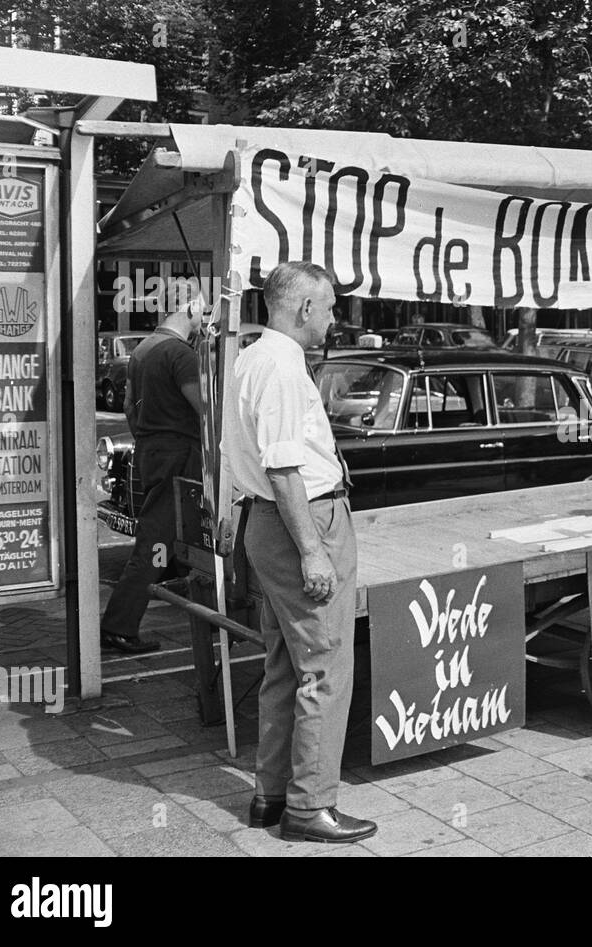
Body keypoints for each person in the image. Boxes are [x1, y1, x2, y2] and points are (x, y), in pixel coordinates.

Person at [224, 262, 376, 844]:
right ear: (304, 308)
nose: (334, 318)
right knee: (324, 666)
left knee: (285, 664)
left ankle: (271, 794)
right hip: (302, 521)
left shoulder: (253, 356)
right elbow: (284, 467)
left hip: (268, 521)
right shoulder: (283, 365)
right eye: (331, 306)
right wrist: (314, 552)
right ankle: (310, 807)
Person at [99, 304, 205, 654]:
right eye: (206, 310)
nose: (208, 320)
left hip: (152, 450)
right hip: (178, 454)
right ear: (190, 307)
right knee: (156, 544)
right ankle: (120, 625)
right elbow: (205, 408)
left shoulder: (143, 348)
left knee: (167, 539)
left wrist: (146, 438)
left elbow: (130, 405)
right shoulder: (180, 353)